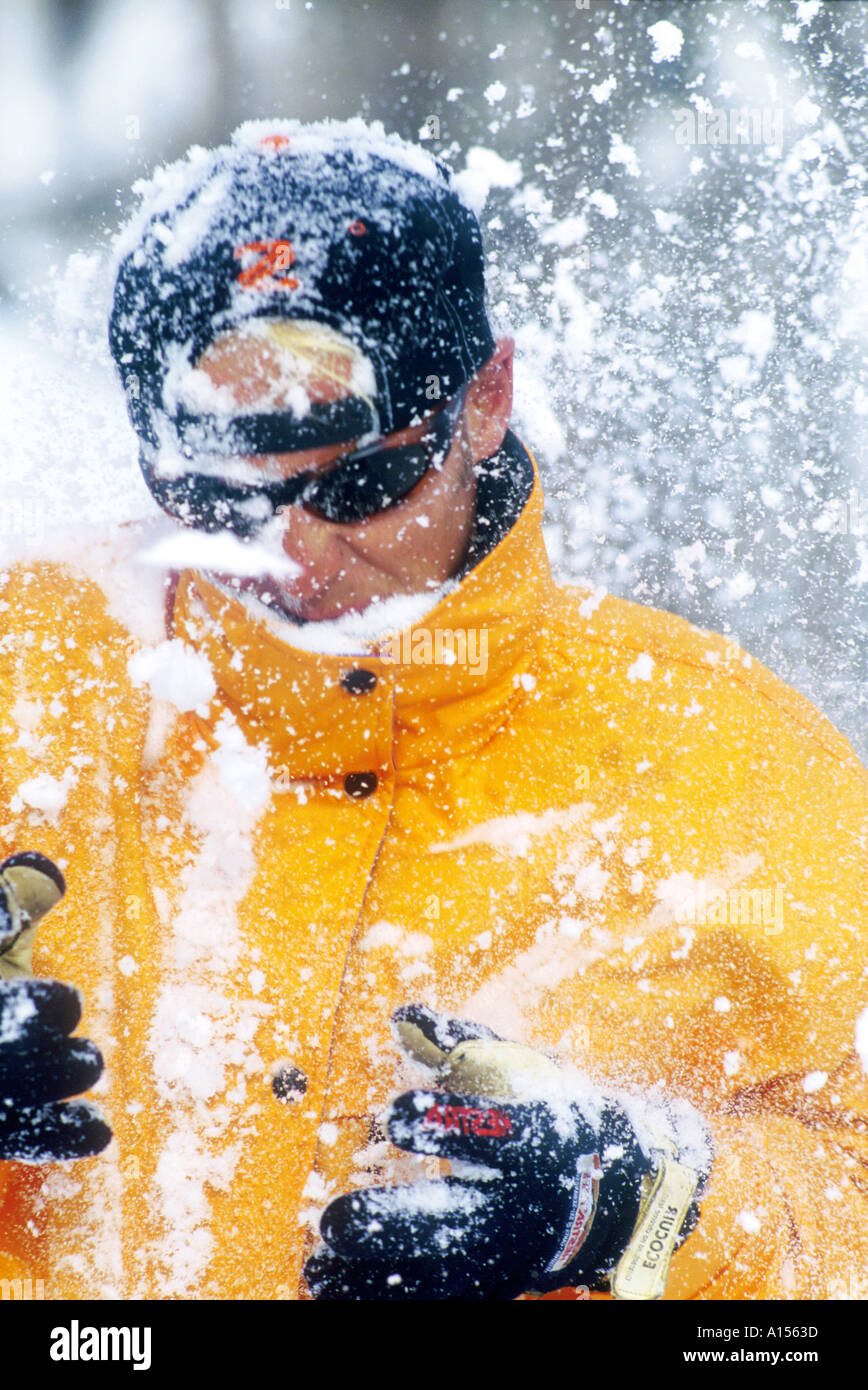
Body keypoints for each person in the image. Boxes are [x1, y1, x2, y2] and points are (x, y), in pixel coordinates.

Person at [0, 117, 865, 1302]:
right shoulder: (26, 669)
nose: (288, 550)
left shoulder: (737, 766)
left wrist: (646, 1205)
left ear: (489, 396)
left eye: (360, 480)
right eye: (212, 495)